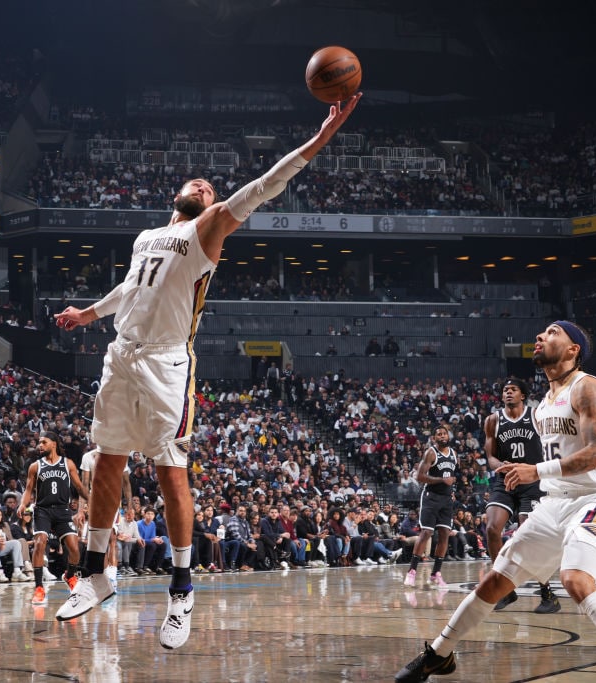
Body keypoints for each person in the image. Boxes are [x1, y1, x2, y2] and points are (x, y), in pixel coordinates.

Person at [51, 94, 361, 649]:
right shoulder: (148, 237)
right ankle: (97, 574)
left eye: (210, 187)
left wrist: (318, 140)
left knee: (171, 474)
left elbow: (265, 184)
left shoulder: (207, 231)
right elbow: (131, 288)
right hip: (121, 353)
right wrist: (88, 312)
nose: (203, 186)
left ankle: (182, 588)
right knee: (106, 463)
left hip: (167, 363)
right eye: (197, 185)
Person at [397, 321, 596, 683]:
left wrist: (537, 471)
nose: (540, 337)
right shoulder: (543, 404)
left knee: (575, 579)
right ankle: (439, 653)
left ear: (573, 349)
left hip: (595, 497)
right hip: (553, 504)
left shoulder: (587, 387)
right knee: (494, 581)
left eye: (552, 333)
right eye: (541, 333)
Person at [483, 377, 560, 614]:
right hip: (506, 481)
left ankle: (547, 592)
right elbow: (490, 456)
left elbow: (549, 445)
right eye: (505, 390)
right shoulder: (493, 420)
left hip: (532, 481)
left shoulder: (536, 415)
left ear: (523, 395)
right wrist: (500, 465)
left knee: (528, 535)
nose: (507, 393)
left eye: (513, 389)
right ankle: (505, 589)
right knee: (492, 529)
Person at [19, 432, 89, 605]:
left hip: (62, 510)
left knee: (74, 548)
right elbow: (28, 490)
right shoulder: (35, 466)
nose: (39, 445)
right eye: (39, 442)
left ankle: (69, 575)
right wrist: (22, 504)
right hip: (43, 510)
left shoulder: (68, 464)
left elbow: (79, 487)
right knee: (40, 541)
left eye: (44, 442)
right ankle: (39, 588)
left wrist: (91, 502)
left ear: (54, 444)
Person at [403, 425, 458, 589]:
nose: (442, 436)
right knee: (426, 532)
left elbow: (451, 477)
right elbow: (420, 476)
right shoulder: (431, 453)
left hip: (446, 499)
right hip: (430, 498)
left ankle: (436, 573)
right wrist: (442, 481)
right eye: (438, 434)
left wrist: (451, 490)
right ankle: (412, 571)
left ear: (448, 436)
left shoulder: (454, 454)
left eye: (444, 433)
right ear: (434, 438)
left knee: (444, 534)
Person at [79, 447, 132, 588]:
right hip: (94, 499)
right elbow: (84, 485)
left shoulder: (119, 453)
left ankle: (112, 575)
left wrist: (130, 507)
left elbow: (126, 483)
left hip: (112, 498)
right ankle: (102, 575)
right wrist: (80, 510)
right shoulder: (88, 457)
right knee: (98, 540)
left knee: (112, 538)